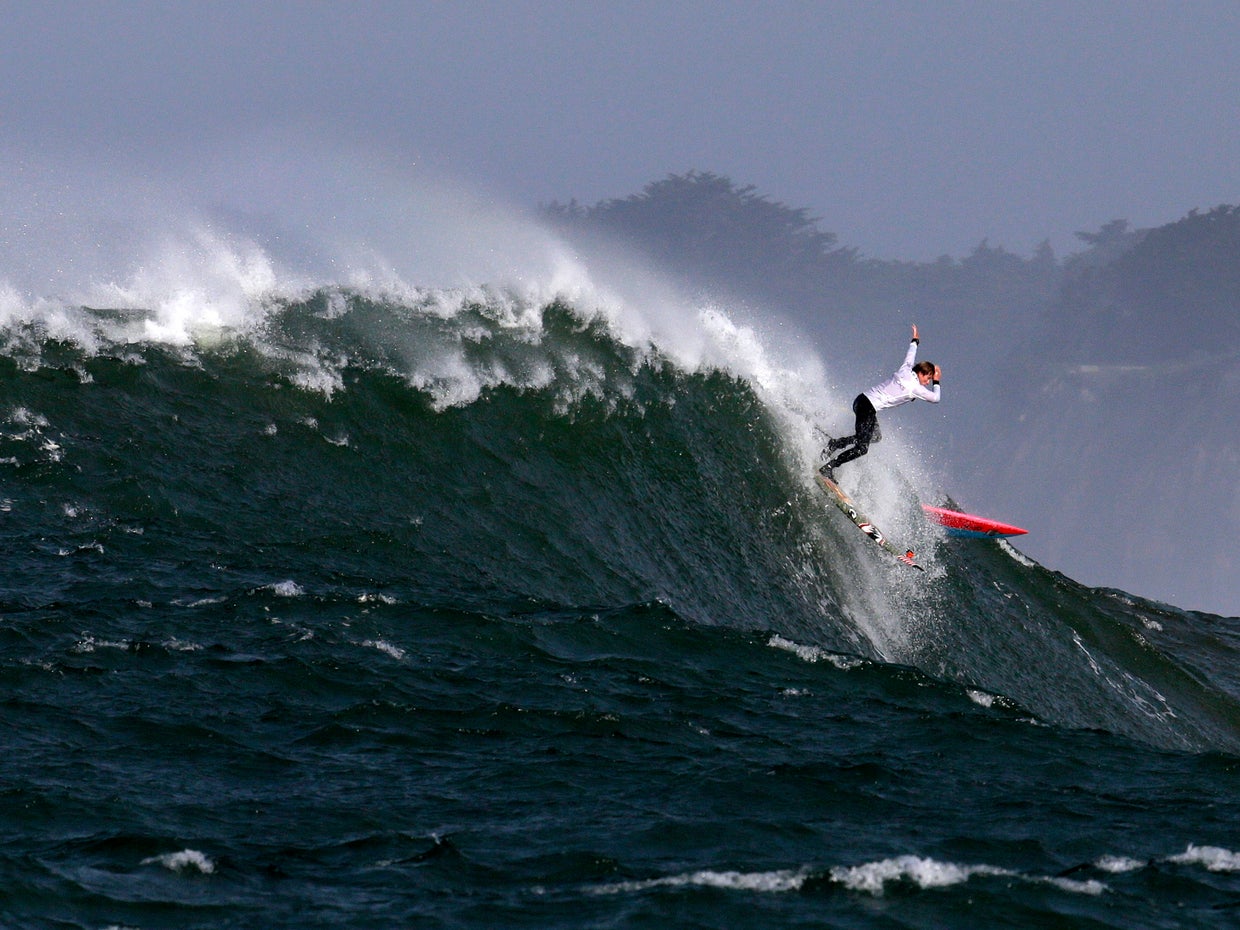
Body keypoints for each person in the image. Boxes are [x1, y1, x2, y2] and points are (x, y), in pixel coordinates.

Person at [820, 324, 941, 480]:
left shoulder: (906, 369)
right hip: (868, 407)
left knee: (875, 436)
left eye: (931, 379)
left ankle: (835, 444)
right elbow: (936, 398)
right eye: (928, 378)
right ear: (922, 373)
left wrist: (915, 340)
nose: (928, 382)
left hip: (862, 400)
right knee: (862, 448)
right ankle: (830, 466)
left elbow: (910, 355)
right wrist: (937, 381)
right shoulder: (915, 388)